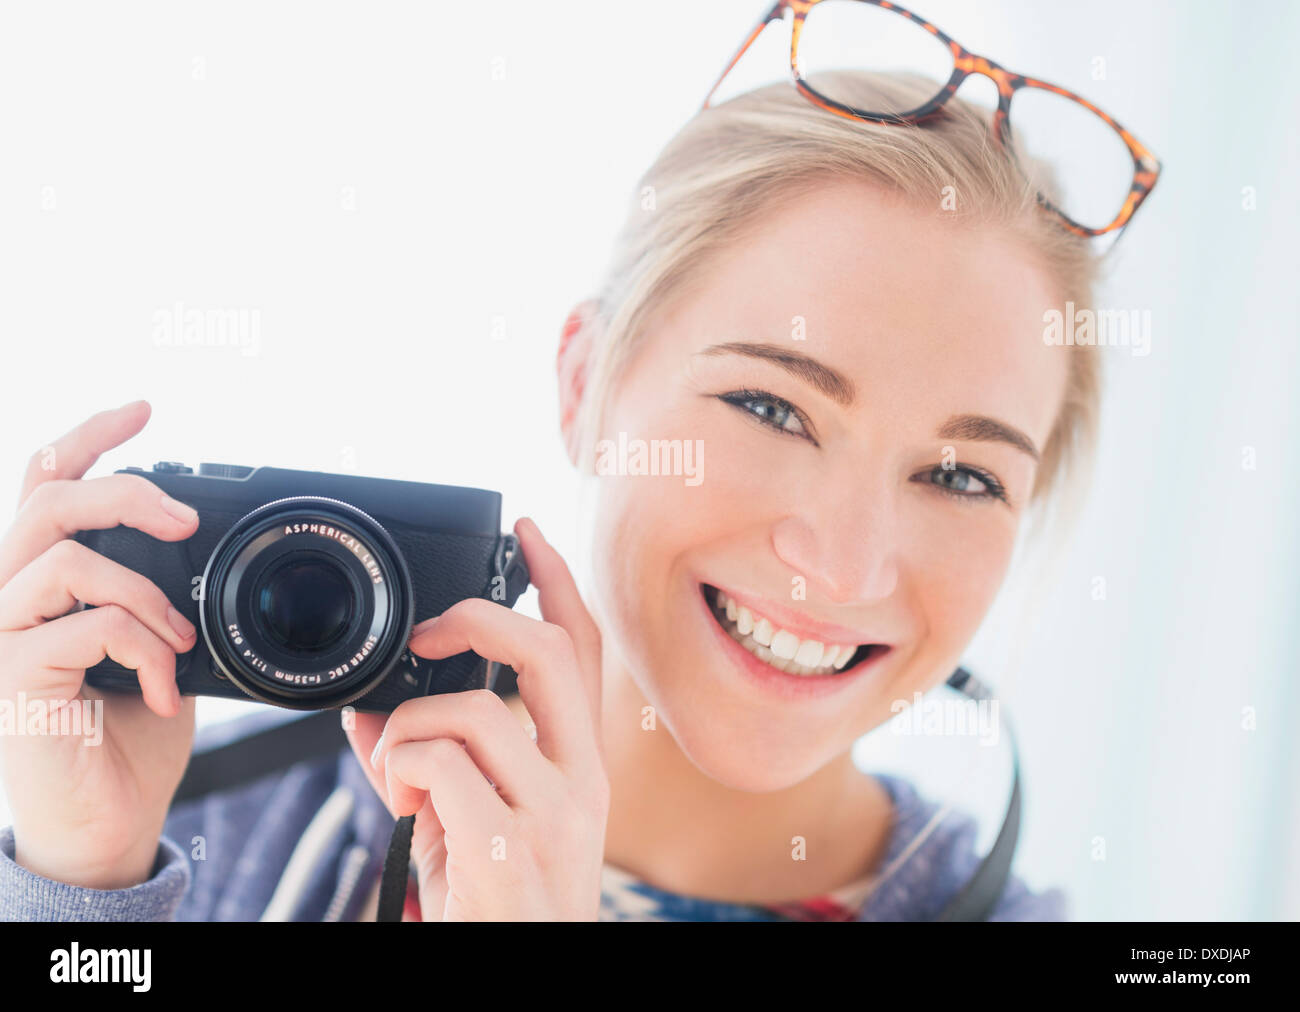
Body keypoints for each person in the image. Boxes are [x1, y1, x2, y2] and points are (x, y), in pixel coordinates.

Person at [0, 58, 1153, 920]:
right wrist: (81, 876)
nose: (843, 562)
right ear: (585, 382)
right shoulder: (206, 840)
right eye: (770, 407)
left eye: (960, 474)